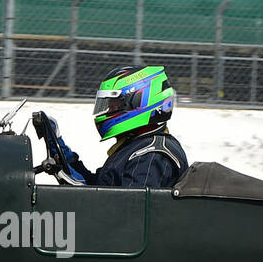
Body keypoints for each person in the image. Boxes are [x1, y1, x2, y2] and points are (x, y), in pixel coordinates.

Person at [55, 64, 188, 188]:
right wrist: (66, 159)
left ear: (138, 102)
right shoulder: (137, 145)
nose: (109, 110)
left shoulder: (151, 156)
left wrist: (77, 185)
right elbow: (101, 185)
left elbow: (129, 207)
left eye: (115, 104)